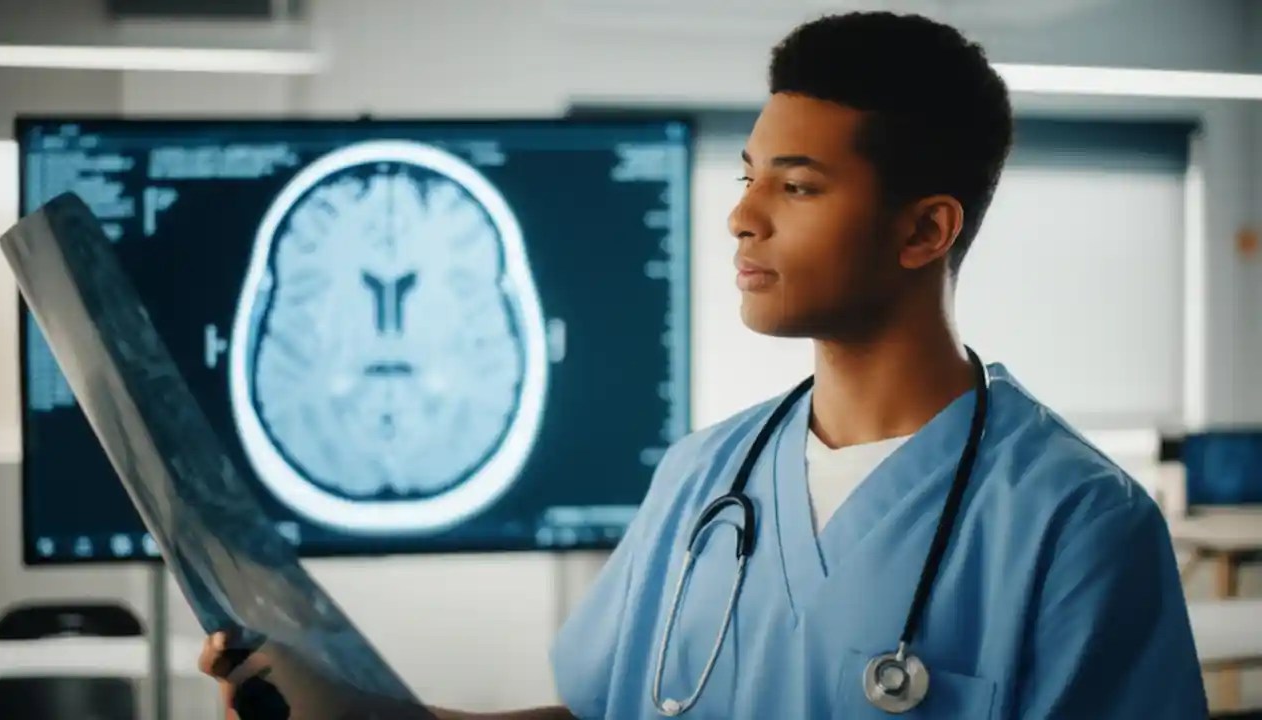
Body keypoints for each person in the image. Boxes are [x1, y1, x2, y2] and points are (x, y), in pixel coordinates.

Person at [200, 10, 1209, 719]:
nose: (740, 214)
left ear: (923, 231)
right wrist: (367, 717)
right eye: (747, 175)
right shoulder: (702, 477)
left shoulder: (1074, 523)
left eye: (797, 185)